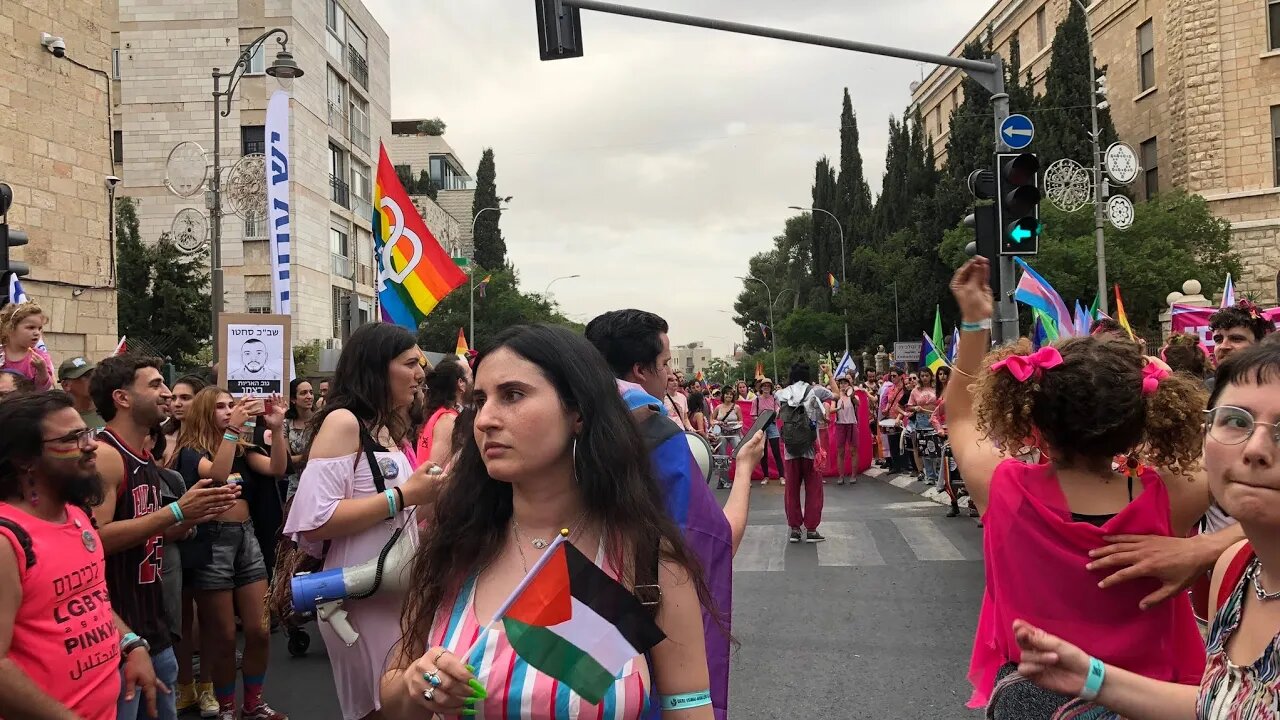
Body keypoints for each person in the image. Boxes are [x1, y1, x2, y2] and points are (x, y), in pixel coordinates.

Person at [379, 324, 718, 720]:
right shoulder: (453, 548)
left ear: (577, 412)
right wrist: (415, 686)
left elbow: (690, 709)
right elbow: (393, 696)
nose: (485, 419)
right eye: (479, 399)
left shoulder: (649, 562)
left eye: (513, 395)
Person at [944, 258, 1210, 716]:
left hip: (1032, 700)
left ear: (1034, 423)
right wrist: (1155, 373)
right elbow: (1209, 449)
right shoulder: (1169, 498)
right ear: (1137, 427)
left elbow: (961, 413)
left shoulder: (1003, 488)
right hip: (1145, 701)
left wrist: (975, 321)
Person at [1012, 342, 1280, 718]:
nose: (1255, 448)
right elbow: (1221, 705)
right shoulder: (1234, 570)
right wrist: (1093, 679)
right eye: (1236, 420)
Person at [283, 322, 443, 720]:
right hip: (361, 593)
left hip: (399, 592)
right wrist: (403, 495)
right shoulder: (344, 423)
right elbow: (314, 519)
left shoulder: (388, 430)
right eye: (410, 363)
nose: (421, 373)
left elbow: (403, 515)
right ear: (377, 367)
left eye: (420, 363)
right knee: (381, 707)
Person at [584, 308, 736, 720]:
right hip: (638, 626)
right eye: (666, 363)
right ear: (639, 370)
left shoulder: (562, 420)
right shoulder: (655, 434)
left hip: (563, 615)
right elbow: (704, 542)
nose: (669, 375)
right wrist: (747, 475)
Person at [90, 355, 240, 720]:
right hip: (120, 638)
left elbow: (146, 528)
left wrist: (189, 518)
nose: (168, 392)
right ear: (122, 398)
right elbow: (94, 541)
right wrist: (175, 512)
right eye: (155, 384)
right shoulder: (106, 456)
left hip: (155, 631)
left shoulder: (143, 456)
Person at [0, 391, 164, 720]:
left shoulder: (76, 515)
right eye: (73, 438)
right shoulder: (7, 541)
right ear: (24, 459)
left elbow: (90, 598)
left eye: (86, 432)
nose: (90, 445)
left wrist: (131, 644)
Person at [170, 388, 288, 720]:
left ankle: (253, 704)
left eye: (230, 406)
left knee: (260, 629)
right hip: (211, 544)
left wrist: (277, 429)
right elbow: (218, 474)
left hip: (246, 539)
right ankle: (226, 708)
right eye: (220, 407)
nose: (227, 411)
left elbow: (278, 467)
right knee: (221, 636)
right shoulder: (192, 452)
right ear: (205, 413)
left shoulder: (243, 450)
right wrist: (234, 429)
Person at [776, 361, 836, 543]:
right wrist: (830, 374)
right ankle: (811, 530)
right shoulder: (816, 390)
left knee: (791, 490)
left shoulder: (781, 393)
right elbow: (837, 394)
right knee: (814, 489)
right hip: (811, 448)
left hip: (790, 449)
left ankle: (795, 529)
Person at [415, 356, 471, 470]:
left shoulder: (441, 414)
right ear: (461, 383)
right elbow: (436, 472)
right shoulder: (447, 420)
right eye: (471, 375)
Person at [0, 302, 53, 390]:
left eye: (39, 328)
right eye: (31, 327)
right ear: (10, 328)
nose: (37, 333)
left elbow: (43, 388)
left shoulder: (40, 357)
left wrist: (42, 370)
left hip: (28, 402)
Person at [1209, 300, 1273, 369]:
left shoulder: (1275, 379)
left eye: (1236, 339)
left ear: (1260, 343)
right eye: (1218, 340)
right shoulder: (1211, 380)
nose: (1224, 346)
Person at [162, 376, 207, 469]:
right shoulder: (161, 438)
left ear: (202, 400)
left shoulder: (213, 439)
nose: (177, 404)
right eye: (173, 398)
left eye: (185, 398)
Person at [282, 378, 315, 501]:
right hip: (296, 484)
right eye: (303, 393)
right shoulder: (286, 424)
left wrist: (299, 458)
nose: (309, 396)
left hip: (319, 482)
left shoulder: (322, 421)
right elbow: (286, 460)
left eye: (311, 392)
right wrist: (309, 457)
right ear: (293, 399)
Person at [907, 368, 941, 485]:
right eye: (922, 376)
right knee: (925, 449)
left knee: (937, 448)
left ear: (931, 376)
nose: (925, 378)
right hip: (921, 421)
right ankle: (930, 476)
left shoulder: (937, 389)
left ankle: (939, 474)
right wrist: (915, 408)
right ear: (920, 377)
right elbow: (909, 406)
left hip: (936, 420)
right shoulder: (915, 391)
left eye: (927, 375)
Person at [710, 386, 743, 489]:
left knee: (740, 454)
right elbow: (711, 419)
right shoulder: (718, 407)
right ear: (723, 395)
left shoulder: (737, 407)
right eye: (727, 394)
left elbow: (741, 420)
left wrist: (735, 423)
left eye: (730, 394)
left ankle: (741, 479)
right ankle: (724, 480)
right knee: (722, 456)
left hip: (734, 433)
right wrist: (716, 422)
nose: (728, 395)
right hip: (722, 433)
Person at [59, 356, 105, 429]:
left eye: (95, 374)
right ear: (66, 385)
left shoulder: (111, 411)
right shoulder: (58, 420)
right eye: (87, 376)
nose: (94, 379)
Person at [753, 378, 783, 485]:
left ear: (771, 388)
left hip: (772, 426)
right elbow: (753, 416)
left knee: (776, 452)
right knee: (763, 452)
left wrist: (777, 412)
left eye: (768, 386)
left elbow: (778, 413)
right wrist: (760, 419)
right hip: (761, 427)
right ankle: (766, 476)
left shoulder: (775, 399)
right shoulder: (756, 400)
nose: (766, 387)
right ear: (761, 387)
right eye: (764, 385)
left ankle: (782, 476)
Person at [831, 374, 859, 486]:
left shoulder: (853, 396)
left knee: (853, 450)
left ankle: (853, 475)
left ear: (849, 384)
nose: (843, 385)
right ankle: (841, 476)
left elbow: (858, 403)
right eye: (841, 383)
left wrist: (852, 396)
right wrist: (838, 408)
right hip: (840, 425)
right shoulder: (836, 396)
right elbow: (832, 409)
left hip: (851, 424)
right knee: (840, 451)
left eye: (845, 383)